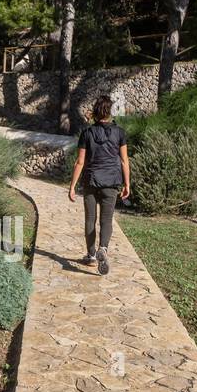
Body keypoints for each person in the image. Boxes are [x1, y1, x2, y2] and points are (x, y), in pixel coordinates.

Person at [68, 94, 130, 275]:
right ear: (109, 112)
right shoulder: (120, 133)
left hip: (91, 181)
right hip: (111, 182)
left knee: (90, 219)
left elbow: (79, 162)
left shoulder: (87, 133)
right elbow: (125, 161)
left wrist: (72, 186)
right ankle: (103, 248)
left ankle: (91, 254)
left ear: (95, 112)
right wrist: (127, 184)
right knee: (106, 220)